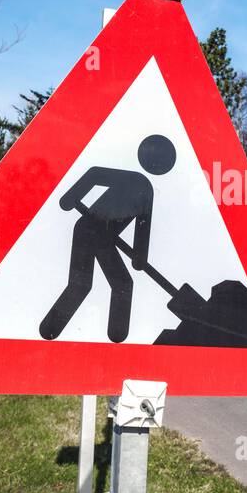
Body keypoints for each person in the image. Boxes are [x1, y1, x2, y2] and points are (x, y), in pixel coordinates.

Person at [39, 134, 176, 343]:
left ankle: (117, 338)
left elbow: (143, 227)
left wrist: (139, 258)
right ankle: (50, 329)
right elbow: (94, 175)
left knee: (122, 284)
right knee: (81, 284)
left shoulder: (146, 190)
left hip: (104, 241)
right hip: (87, 231)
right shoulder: (136, 181)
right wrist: (70, 198)